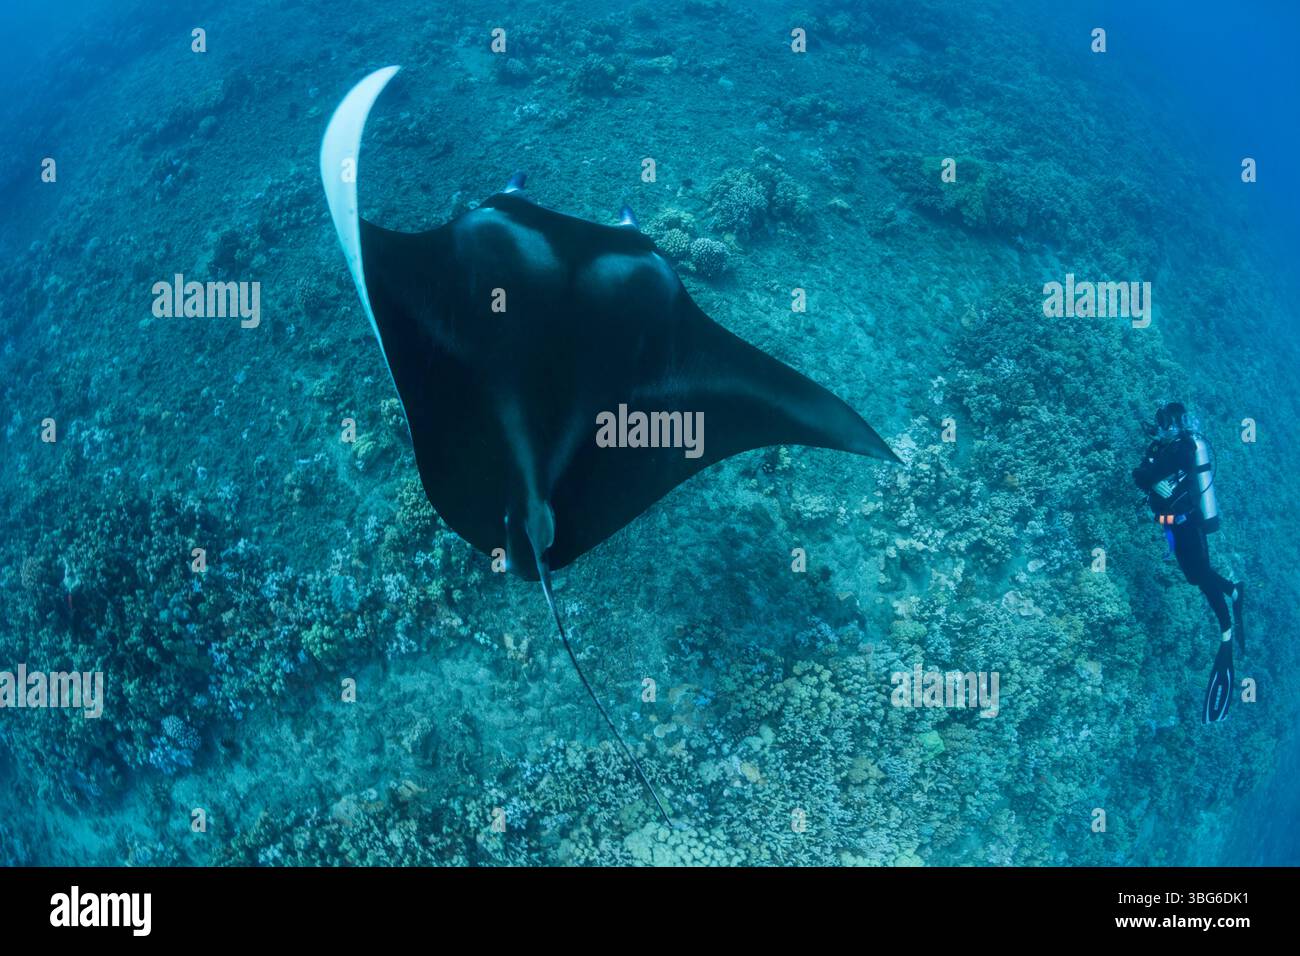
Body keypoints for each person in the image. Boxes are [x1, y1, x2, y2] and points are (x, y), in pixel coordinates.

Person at [1132, 402, 1243, 722]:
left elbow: (1142, 477)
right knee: (1197, 575)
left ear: (1176, 424)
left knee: (1199, 575)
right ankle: (1234, 590)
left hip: (1186, 525)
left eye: (1164, 423)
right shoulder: (1176, 448)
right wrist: (1153, 465)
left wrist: (1149, 471)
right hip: (1182, 523)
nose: (1160, 427)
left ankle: (1226, 631)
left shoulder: (1180, 449)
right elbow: (1153, 474)